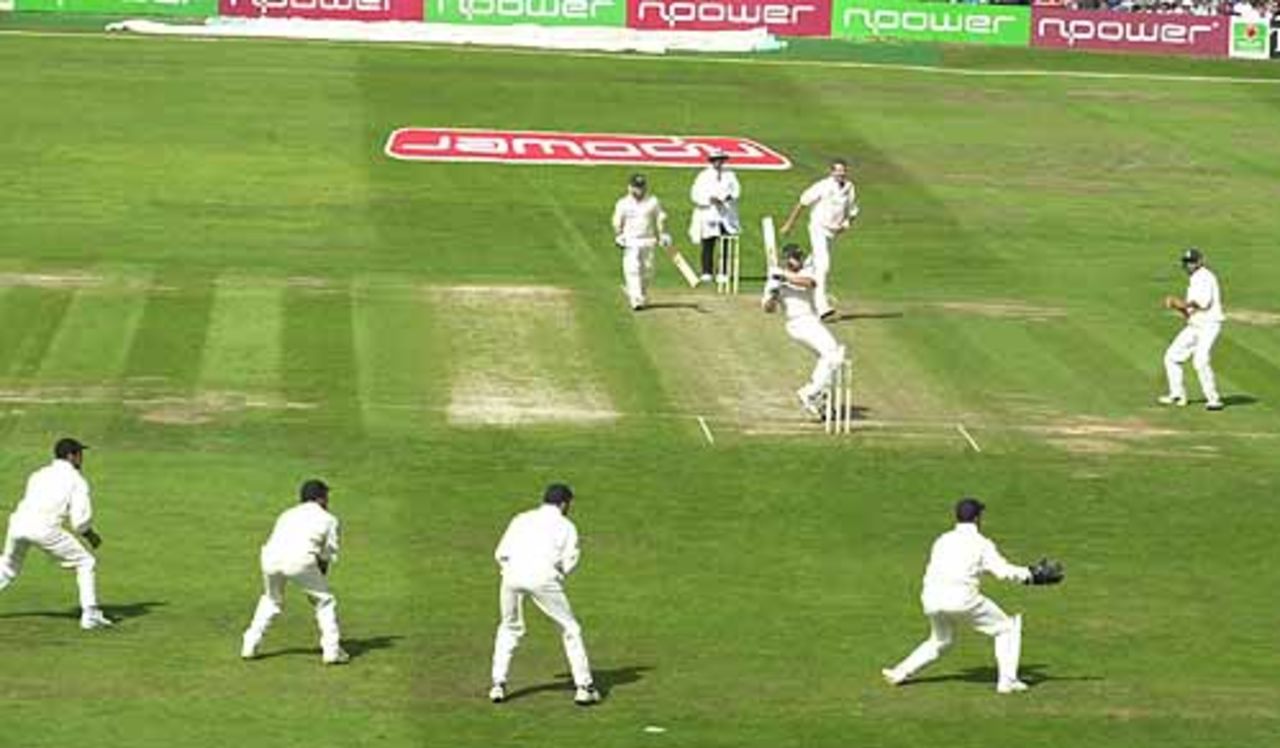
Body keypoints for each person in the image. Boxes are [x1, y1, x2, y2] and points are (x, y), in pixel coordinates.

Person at [881, 498, 1033, 694]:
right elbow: (1002, 571)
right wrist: (1030, 575)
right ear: (978, 518)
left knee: (941, 640)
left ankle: (899, 673)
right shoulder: (981, 543)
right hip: (962, 599)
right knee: (1006, 628)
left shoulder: (942, 540)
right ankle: (1008, 682)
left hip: (931, 598)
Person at [489, 483, 600, 706]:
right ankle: (584, 687)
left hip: (511, 574)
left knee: (509, 627)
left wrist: (510, 572)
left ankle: (497, 685)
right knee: (570, 628)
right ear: (564, 504)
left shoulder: (521, 518)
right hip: (543, 577)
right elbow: (569, 561)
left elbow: (500, 553)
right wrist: (553, 576)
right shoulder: (567, 526)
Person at [0, 438, 112, 630]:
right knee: (86, 562)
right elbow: (80, 521)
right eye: (79, 454)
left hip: (18, 524)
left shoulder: (38, 474)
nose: (81, 459)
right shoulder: (77, 481)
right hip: (44, 528)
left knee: (7, 568)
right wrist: (90, 535)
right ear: (71, 456)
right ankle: (91, 615)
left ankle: (92, 614)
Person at [241, 479, 348, 665]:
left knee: (271, 599)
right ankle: (332, 651)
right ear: (320, 498)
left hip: (270, 557)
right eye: (326, 496)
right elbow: (327, 554)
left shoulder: (287, 514)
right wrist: (318, 581)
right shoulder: (329, 519)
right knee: (325, 601)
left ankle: (249, 645)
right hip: (300, 559)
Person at [762, 244, 848, 417]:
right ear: (787, 259)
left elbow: (810, 283)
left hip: (810, 320)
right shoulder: (774, 280)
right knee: (833, 353)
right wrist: (773, 294)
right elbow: (768, 309)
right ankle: (811, 393)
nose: (799, 260)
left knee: (832, 357)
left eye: (799, 256)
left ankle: (816, 395)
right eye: (795, 257)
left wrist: (784, 277)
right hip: (798, 322)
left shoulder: (805, 272)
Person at [779, 159, 860, 320]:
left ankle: (786, 279)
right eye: (837, 170)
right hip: (818, 228)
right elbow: (802, 202)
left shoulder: (850, 187)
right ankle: (822, 308)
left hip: (832, 232)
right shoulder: (823, 186)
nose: (840, 173)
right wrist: (789, 224)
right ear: (831, 172)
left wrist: (845, 225)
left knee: (814, 264)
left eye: (843, 170)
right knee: (823, 265)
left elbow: (852, 211)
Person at [1159, 248, 1225, 411]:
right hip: (1195, 325)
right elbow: (1189, 311)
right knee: (1171, 357)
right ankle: (1177, 394)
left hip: (1209, 325)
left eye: (1192, 262)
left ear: (1200, 261)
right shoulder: (1194, 279)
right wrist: (1178, 308)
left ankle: (1214, 400)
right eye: (1187, 262)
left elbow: (1202, 303)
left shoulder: (1205, 277)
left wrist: (1177, 303)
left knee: (1200, 360)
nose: (1189, 265)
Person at [611, 173, 671, 311]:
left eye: (642, 187)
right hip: (631, 241)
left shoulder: (653, 201)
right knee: (633, 269)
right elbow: (616, 221)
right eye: (637, 187)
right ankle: (636, 298)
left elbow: (660, 218)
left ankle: (639, 293)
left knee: (648, 270)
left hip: (648, 240)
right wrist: (619, 235)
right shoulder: (623, 203)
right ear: (630, 187)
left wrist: (663, 234)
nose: (640, 190)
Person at [688, 150, 741, 284]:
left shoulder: (730, 174)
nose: (719, 162)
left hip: (726, 213)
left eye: (721, 159)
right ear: (711, 161)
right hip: (709, 213)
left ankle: (723, 272)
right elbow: (695, 194)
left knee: (725, 244)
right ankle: (707, 272)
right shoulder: (703, 176)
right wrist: (709, 199)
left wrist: (729, 197)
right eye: (716, 160)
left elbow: (737, 190)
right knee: (708, 243)